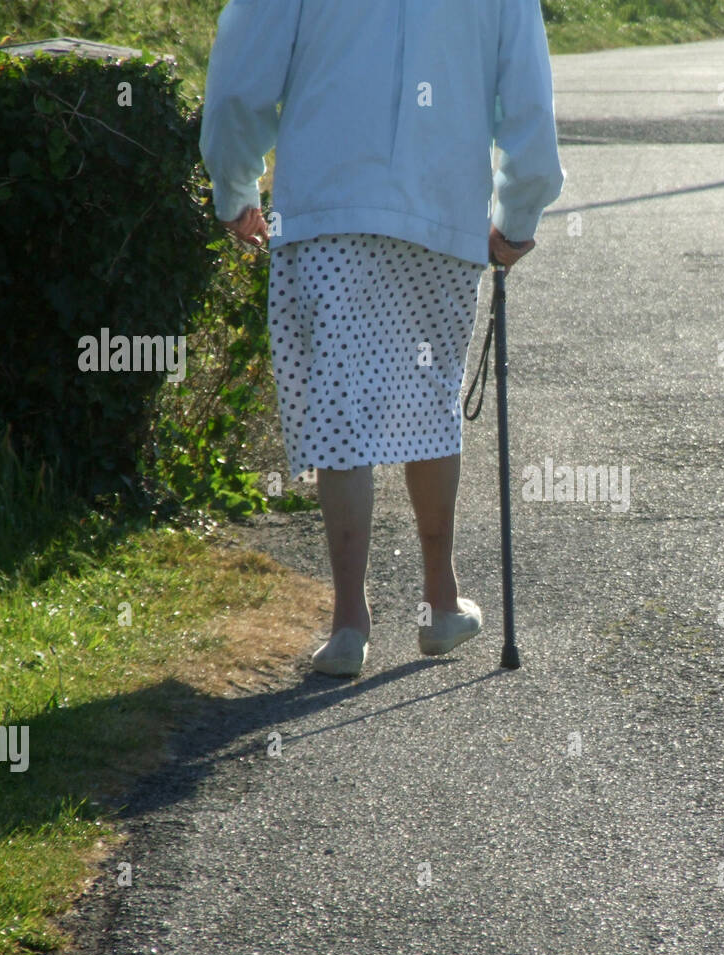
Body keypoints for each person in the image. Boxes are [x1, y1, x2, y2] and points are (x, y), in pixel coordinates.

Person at [200, 1, 565, 676]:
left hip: (325, 207)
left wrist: (235, 186)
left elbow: (239, 81)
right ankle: (441, 601)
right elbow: (528, 104)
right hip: (440, 210)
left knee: (341, 410)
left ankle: (348, 623)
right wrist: (518, 216)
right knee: (429, 399)